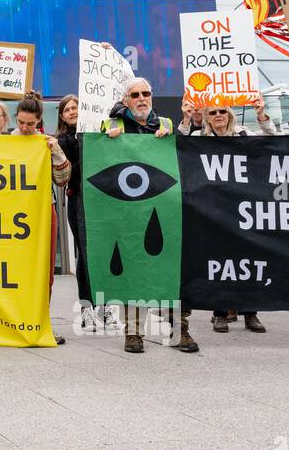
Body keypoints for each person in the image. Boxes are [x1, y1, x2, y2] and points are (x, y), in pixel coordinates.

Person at [103, 78, 198, 354]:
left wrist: (177, 132)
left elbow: (181, 156)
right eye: (135, 95)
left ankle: (179, 328)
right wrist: (108, 143)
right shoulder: (112, 126)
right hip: (128, 211)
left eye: (146, 93)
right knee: (132, 269)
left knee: (170, 268)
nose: (142, 98)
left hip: (164, 209)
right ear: (126, 100)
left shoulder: (165, 124)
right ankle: (133, 332)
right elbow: (100, 159)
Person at [195, 97, 272, 334]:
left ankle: (251, 313)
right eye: (213, 112)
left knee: (248, 261)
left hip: (243, 208)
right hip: (213, 211)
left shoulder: (243, 134)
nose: (218, 115)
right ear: (206, 117)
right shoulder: (198, 139)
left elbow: (273, 142)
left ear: (230, 115)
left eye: (223, 111)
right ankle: (219, 313)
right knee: (219, 262)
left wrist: (262, 116)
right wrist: (187, 120)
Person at [11, 92, 73, 344]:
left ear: (38, 121)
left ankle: (40, 322)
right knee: (14, 269)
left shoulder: (46, 142)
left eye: (31, 124)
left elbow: (62, 179)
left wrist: (56, 152)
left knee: (44, 269)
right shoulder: (5, 141)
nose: (25, 128)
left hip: (43, 209)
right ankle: (13, 320)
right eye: (22, 122)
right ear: (16, 118)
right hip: (12, 213)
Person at [55, 95, 117, 334]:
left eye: (75, 107)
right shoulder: (63, 141)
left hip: (103, 200)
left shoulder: (101, 134)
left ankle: (106, 307)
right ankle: (86, 308)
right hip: (79, 198)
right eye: (67, 109)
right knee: (85, 254)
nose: (72, 112)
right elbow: (69, 173)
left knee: (104, 253)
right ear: (62, 116)